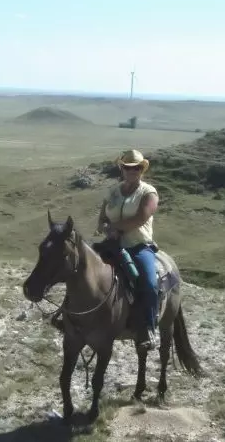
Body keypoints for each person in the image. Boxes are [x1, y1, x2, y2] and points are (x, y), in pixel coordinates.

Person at [96, 149, 159, 350]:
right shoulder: (113, 192)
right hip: (111, 245)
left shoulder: (149, 193)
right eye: (128, 167)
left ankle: (149, 327)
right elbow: (102, 218)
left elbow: (141, 218)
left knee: (148, 283)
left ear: (142, 170)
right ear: (122, 169)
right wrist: (105, 227)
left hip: (138, 246)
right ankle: (72, 316)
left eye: (137, 168)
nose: (132, 171)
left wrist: (115, 228)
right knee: (80, 268)